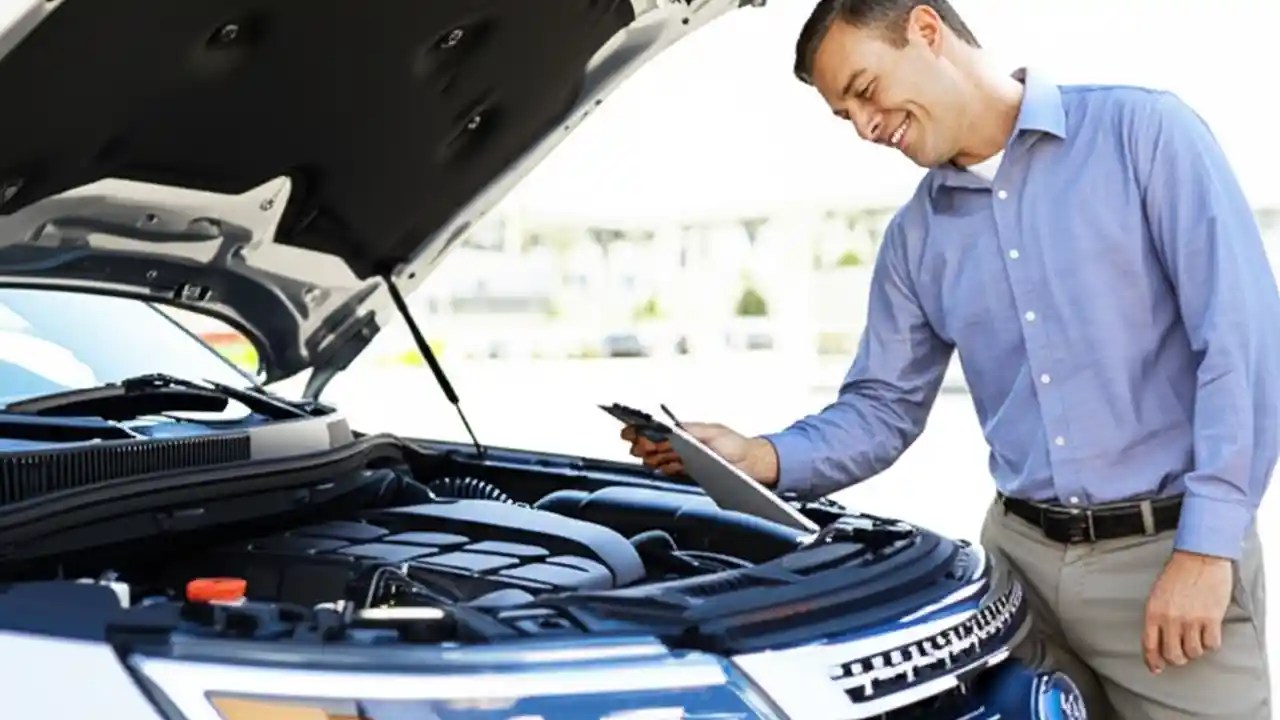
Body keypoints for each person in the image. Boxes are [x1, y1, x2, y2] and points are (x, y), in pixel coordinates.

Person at [620, 1, 1278, 717]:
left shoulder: (1143, 135)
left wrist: (1206, 552)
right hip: (1014, 575)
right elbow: (881, 410)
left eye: (865, 91)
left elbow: (1244, 344)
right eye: (846, 116)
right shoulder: (916, 237)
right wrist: (756, 457)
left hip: (1163, 565)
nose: (867, 127)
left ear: (926, 32)